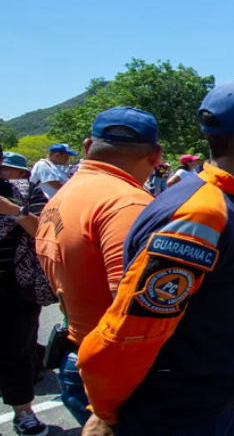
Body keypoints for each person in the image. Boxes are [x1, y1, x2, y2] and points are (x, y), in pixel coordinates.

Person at [76, 77, 234, 435]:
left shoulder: (232, 201)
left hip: (213, 405)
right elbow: (134, 327)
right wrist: (105, 410)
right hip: (189, 413)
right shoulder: (204, 212)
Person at [35, 107, 161, 426]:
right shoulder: (129, 204)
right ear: (156, 155)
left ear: (88, 146)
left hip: (81, 351)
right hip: (117, 372)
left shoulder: (65, 195)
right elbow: (135, 312)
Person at [0, 133, 55, 436]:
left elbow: (46, 232)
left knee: (13, 354)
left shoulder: (22, 191)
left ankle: (23, 413)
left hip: (12, 292)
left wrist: (12, 211)